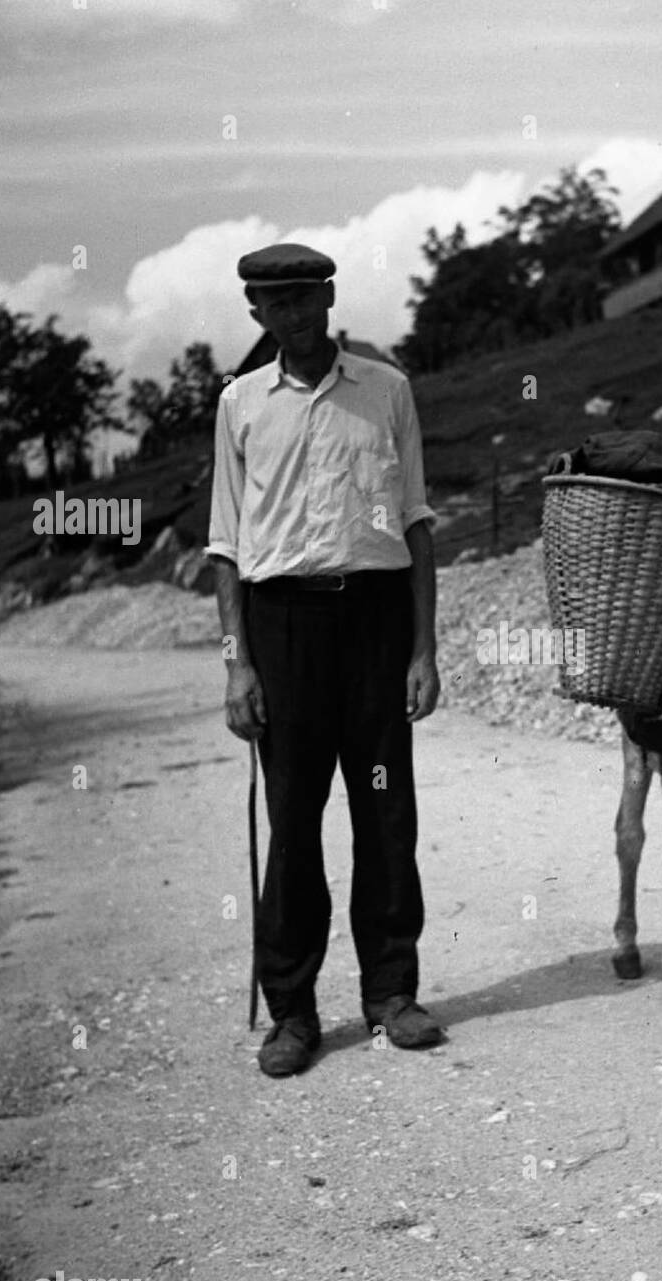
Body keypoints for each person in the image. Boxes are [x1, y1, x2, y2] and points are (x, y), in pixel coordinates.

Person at [206, 242, 442, 1078]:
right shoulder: (239, 404)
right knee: (294, 823)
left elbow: (416, 524)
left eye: (307, 298)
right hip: (283, 630)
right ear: (256, 313)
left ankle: (392, 995)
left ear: (329, 298)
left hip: (375, 623)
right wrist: (238, 665)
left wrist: (423, 649)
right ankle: (293, 1013)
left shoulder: (386, 389)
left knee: (385, 816)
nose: (295, 315)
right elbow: (226, 547)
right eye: (277, 303)